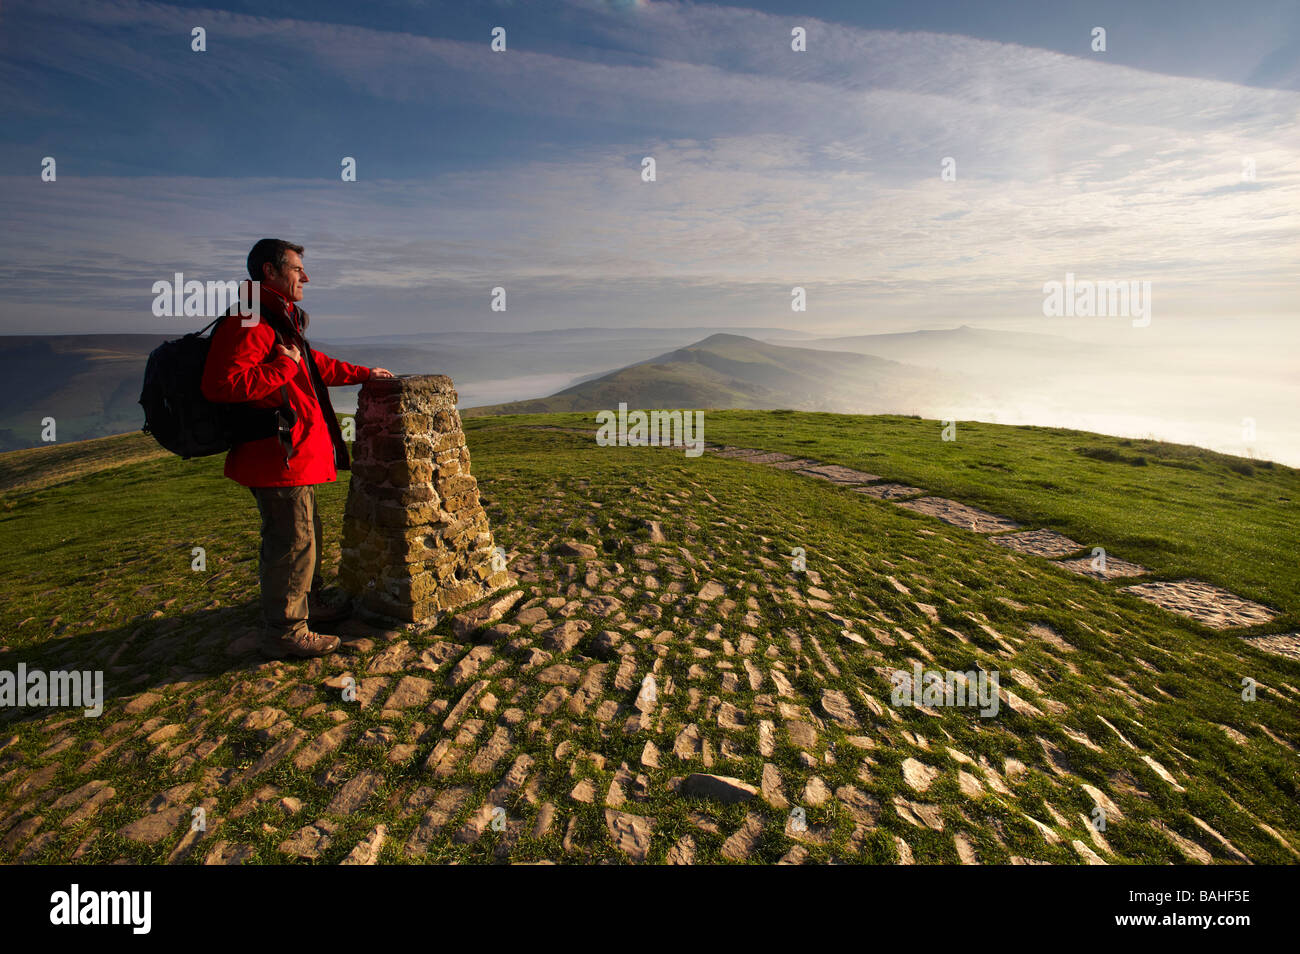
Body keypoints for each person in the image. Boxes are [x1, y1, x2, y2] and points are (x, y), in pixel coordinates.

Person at [201, 239, 394, 658]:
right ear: (269, 271)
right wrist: (283, 366)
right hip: (276, 456)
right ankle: (285, 631)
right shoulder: (250, 320)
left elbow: (312, 364)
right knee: (291, 542)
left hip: (291, 456)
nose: (305, 276)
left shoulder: (275, 317)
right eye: (296, 268)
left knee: (305, 535)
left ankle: (309, 604)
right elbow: (222, 385)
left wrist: (364, 373)